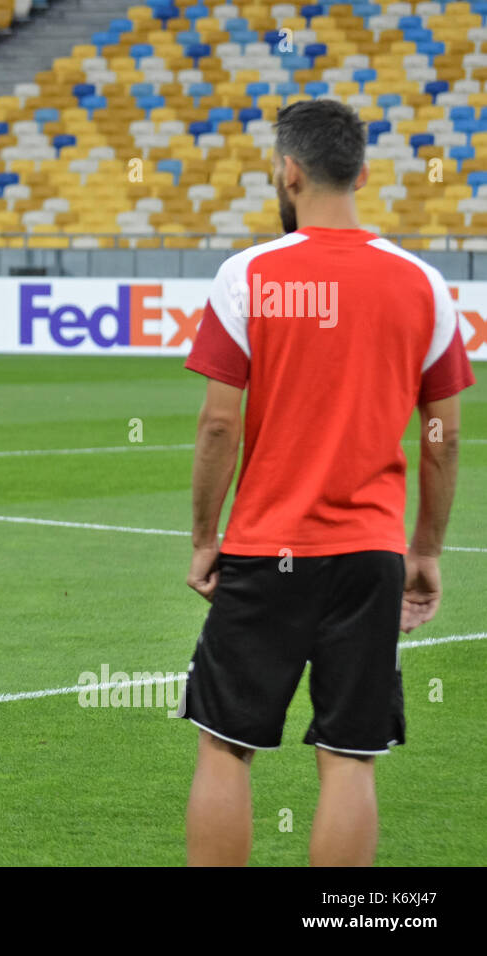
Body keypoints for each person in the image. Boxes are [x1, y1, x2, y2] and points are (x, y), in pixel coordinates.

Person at [179, 99, 475, 865]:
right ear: (365, 172)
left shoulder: (251, 275)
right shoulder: (422, 283)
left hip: (265, 548)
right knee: (349, 755)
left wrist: (206, 538)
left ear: (289, 170)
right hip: (370, 553)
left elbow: (218, 425)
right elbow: (442, 440)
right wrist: (427, 551)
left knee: (225, 745)